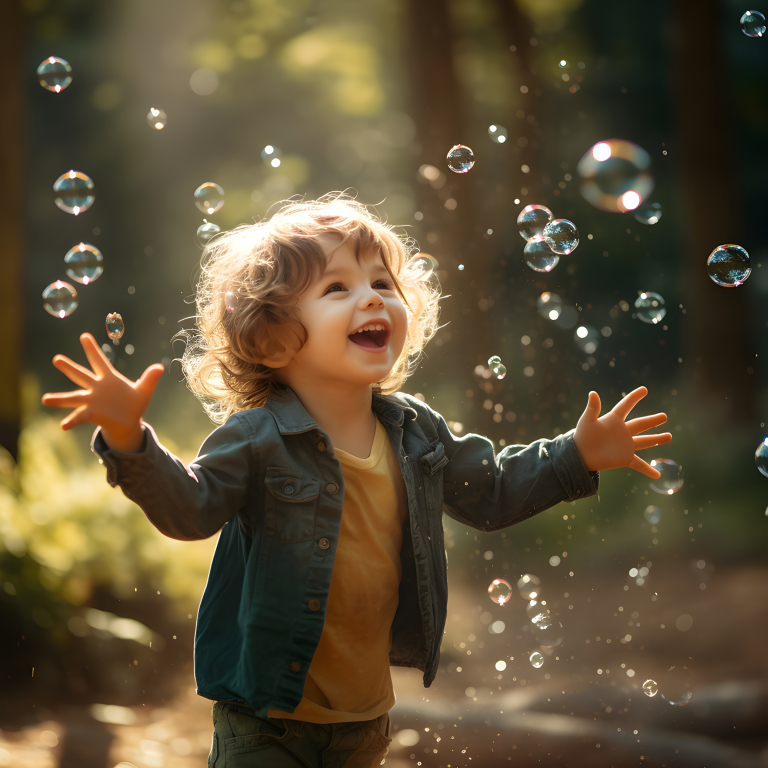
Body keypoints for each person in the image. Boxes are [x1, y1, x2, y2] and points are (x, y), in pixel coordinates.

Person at [41, 194, 672, 768]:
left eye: (382, 281)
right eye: (337, 287)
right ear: (271, 337)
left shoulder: (416, 431)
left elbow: (492, 491)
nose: (372, 298)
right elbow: (190, 509)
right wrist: (128, 440)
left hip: (366, 718)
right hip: (267, 718)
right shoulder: (257, 438)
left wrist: (575, 454)